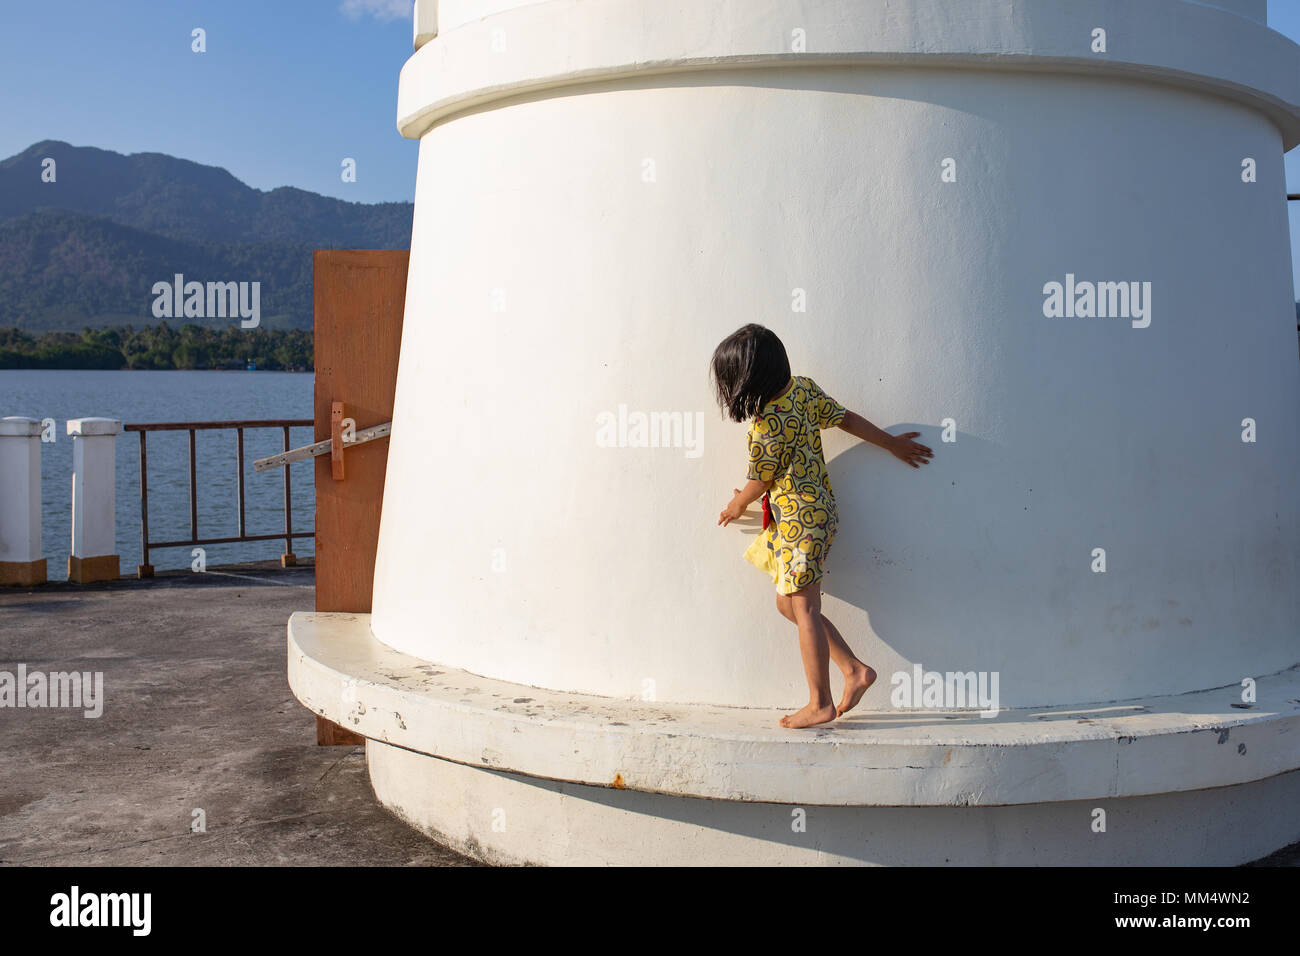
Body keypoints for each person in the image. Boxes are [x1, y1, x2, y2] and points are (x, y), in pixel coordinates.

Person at [711, 324, 934, 728]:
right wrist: (891, 443)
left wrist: (736, 503)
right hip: (819, 513)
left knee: (806, 607)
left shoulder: (765, 426)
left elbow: (760, 479)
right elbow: (846, 418)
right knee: (788, 604)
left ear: (747, 379)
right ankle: (854, 669)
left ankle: (820, 702)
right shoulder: (803, 390)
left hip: (799, 523)